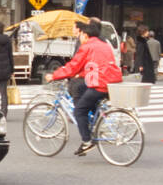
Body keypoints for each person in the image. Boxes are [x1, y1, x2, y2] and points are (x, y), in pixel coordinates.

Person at [50, 19, 122, 156]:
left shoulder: (87, 46)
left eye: (81, 34)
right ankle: (93, 125)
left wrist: (54, 75)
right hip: (111, 81)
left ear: (86, 35)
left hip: (99, 83)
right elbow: (94, 65)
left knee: (79, 111)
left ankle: (87, 141)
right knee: (85, 94)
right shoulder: (104, 44)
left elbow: (73, 66)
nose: (80, 37)